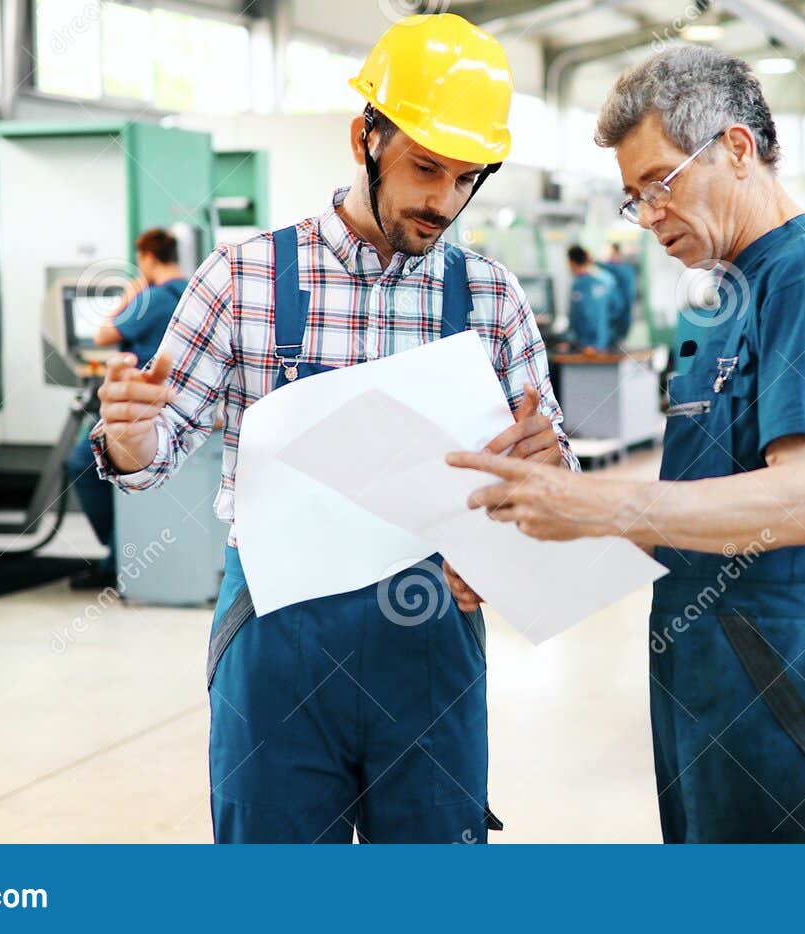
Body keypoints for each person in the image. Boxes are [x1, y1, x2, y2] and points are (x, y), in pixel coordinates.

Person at [89, 13, 574, 844]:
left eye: (468, 178)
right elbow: (152, 449)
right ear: (366, 137)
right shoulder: (242, 278)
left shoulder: (491, 299)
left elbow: (545, 477)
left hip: (431, 638)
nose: (444, 202)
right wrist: (130, 440)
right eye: (427, 168)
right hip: (277, 646)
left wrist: (539, 488)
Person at [450, 45, 805, 843]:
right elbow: (687, 506)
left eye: (660, 182)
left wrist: (590, 502)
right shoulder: (719, 296)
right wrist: (523, 540)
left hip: (791, 669)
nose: (650, 214)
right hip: (705, 661)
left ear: (737, 148)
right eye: (634, 198)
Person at [64, 228, 189, 588]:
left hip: (140, 406)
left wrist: (131, 292)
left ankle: (115, 557)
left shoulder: (153, 297)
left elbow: (104, 334)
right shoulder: (190, 290)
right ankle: (121, 556)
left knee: (85, 466)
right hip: (178, 404)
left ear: (148, 258)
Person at [566, 244, 620, 352]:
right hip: (604, 343)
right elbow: (617, 307)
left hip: (589, 348)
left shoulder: (580, 286)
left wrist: (592, 344)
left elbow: (583, 316)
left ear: (571, 263)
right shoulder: (603, 282)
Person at [601, 242, 639, 342]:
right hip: (622, 314)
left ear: (617, 253)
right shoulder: (625, 269)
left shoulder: (622, 270)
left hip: (621, 314)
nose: (609, 256)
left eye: (611, 253)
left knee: (618, 340)